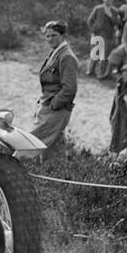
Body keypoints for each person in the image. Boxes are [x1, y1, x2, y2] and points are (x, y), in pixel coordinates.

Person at [31, 20, 78, 156]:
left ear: (62, 36)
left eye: (54, 35)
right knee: (51, 149)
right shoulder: (55, 53)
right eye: (47, 36)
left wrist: (54, 105)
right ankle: (52, 173)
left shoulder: (66, 56)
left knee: (32, 143)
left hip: (56, 110)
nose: (50, 39)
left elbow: (69, 89)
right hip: (49, 107)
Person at [86, 0, 120, 79]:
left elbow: (117, 23)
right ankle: (91, 70)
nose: (108, 1)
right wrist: (93, 29)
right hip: (97, 34)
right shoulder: (98, 8)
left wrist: (110, 16)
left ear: (112, 0)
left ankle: (101, 73)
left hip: (108, 35)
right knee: (94, 53)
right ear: (103, 0)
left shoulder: (115, 11)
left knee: (104, 55)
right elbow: (90, 20)